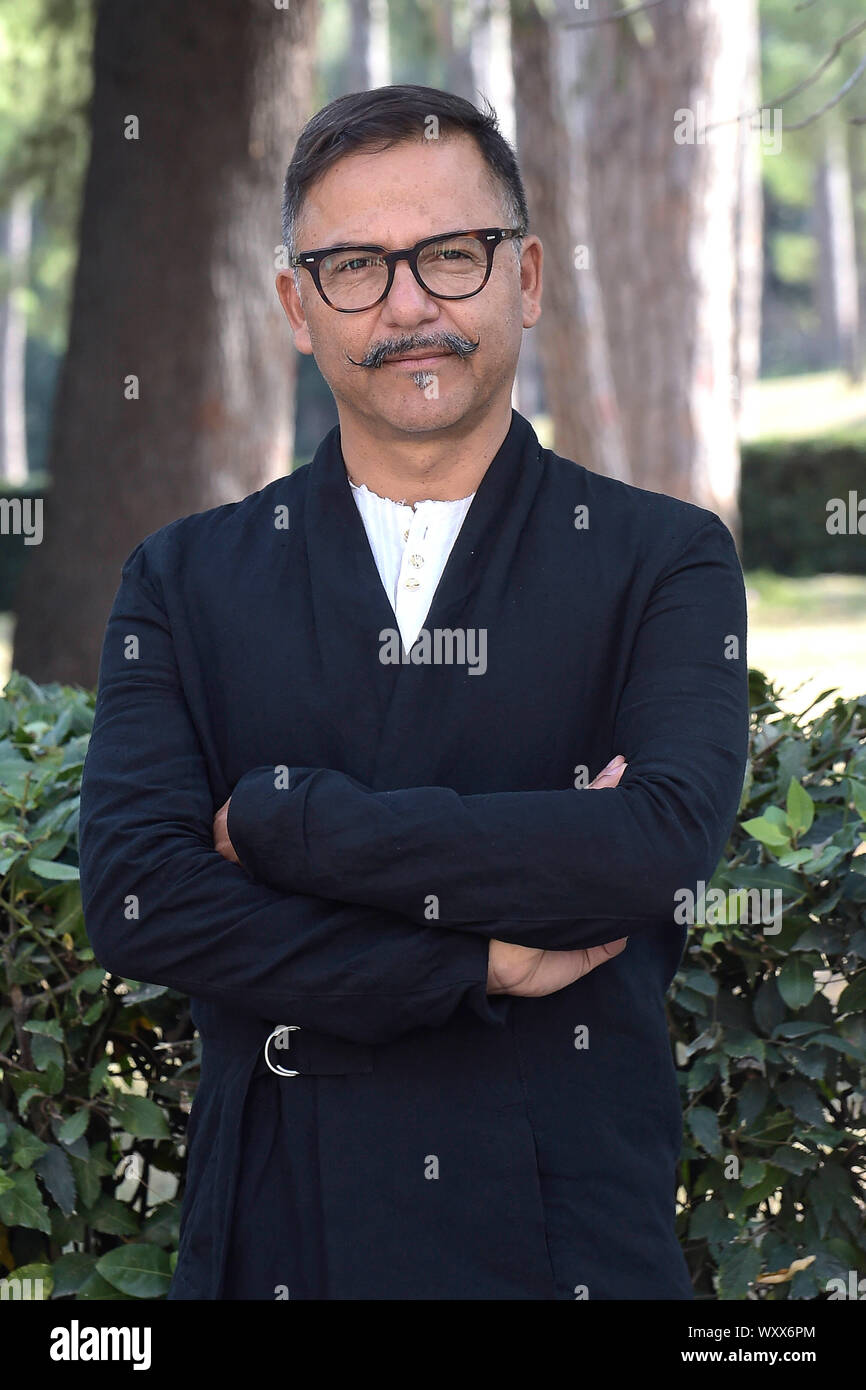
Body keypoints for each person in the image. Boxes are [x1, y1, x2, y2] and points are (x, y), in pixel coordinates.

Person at [78, 84, 750, 1301]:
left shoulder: (661, 557)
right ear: (295, 303)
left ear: (526, 277)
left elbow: (651, 846)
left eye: (450, 253)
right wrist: (474, 961)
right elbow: (137, 897)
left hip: (563, 1233)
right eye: (351, 267)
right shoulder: (184, 577)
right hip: (279, 1229)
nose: (407, 305)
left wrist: (284, 822)